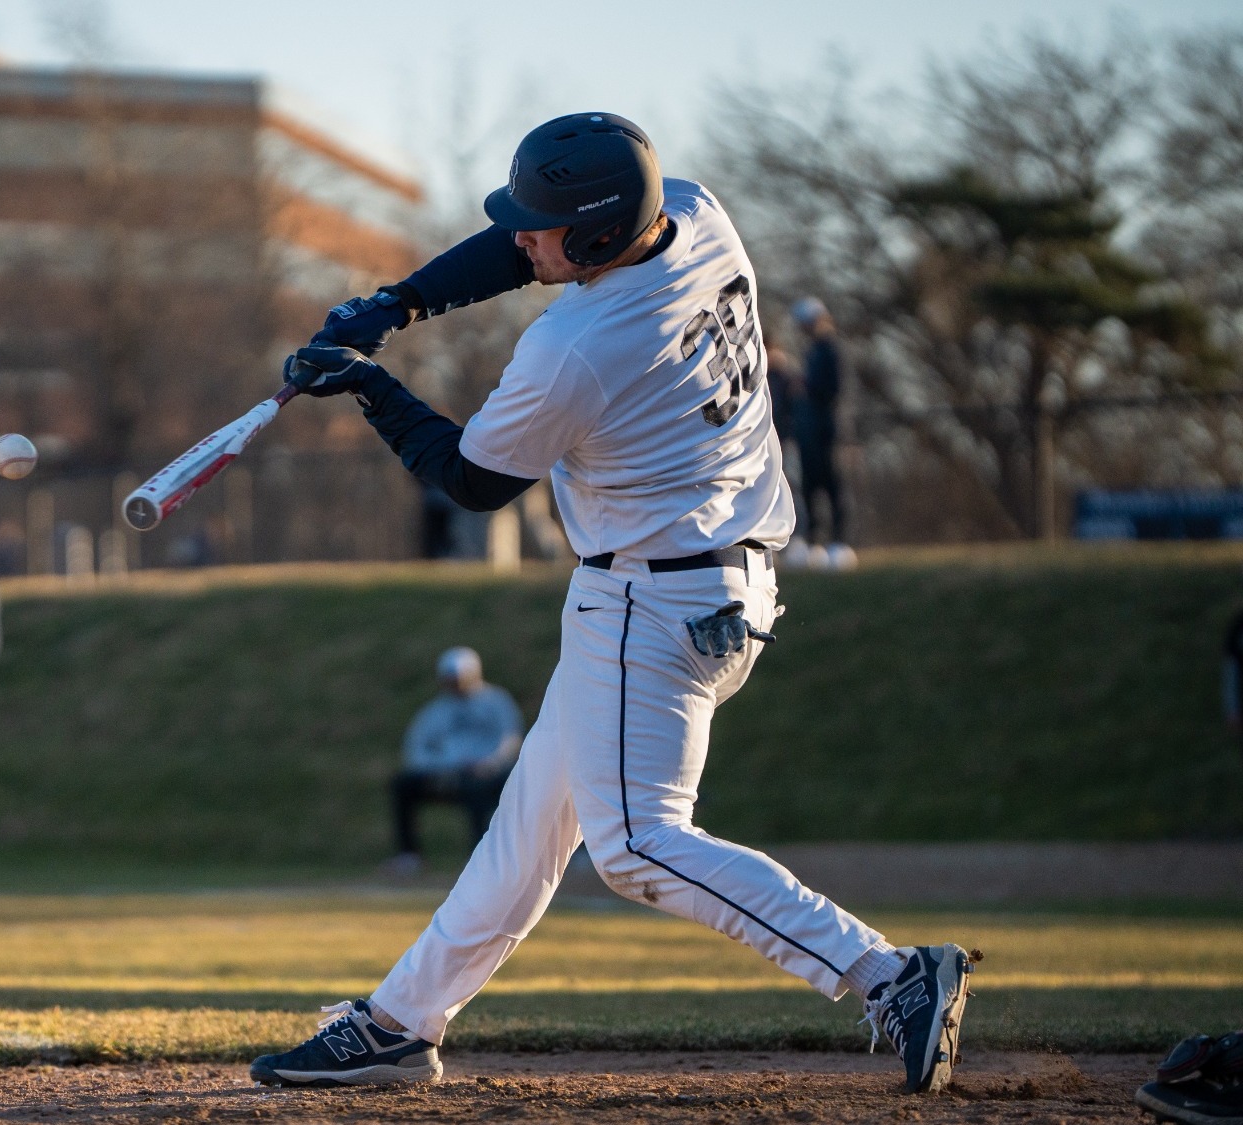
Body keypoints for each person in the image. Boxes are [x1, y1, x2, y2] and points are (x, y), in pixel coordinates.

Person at [248, 113, 974, 1094]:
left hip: (650, 601)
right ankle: (399, 1023)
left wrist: (368, 387)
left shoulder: (576, 346)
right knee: (528, 828)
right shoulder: (689, 212)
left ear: (592, 238)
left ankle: (885, 974)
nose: (520, 239)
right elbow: (516, 253)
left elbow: (469, 483)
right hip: (720, 583)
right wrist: (399, 302)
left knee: (634, 847)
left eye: (542, 226)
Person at [384, 647, 524, 877]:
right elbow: (417, 746)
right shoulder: (438, 710)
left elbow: (510, 739)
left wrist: (489, 764)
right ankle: (410, 855)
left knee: (476, 789)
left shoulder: (495, 702)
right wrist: (437, 767)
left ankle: (479, 857)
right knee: (402, 784)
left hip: (487, 775)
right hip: (447, 774)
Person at [791, 297, 854, 568]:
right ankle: (814, 540)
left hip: (830, 430)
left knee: (834, 486)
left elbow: (834, 391)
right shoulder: (812, 351)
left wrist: (809, 389)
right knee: (810, 486)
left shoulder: (833, 350)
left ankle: (840, 542)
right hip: (811, 432)